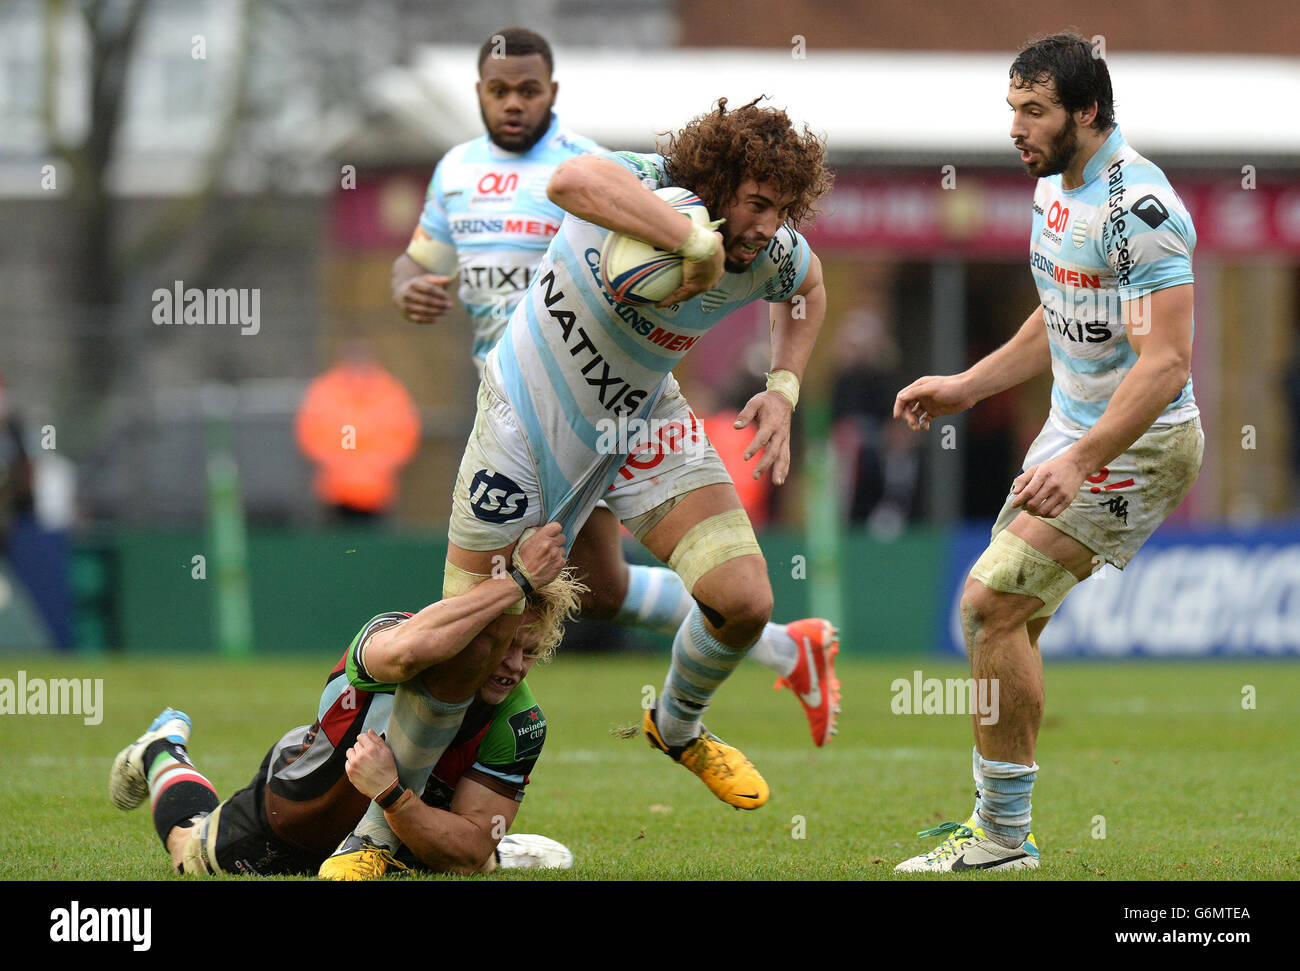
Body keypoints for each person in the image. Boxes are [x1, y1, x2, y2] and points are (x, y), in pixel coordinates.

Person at [392, 28, 841, 750]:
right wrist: (691, 241)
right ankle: (385, 824)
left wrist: (782, 389)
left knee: (743, 598)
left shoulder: (770, 247)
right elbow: (569, 187)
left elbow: (810, 288)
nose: (769, 226)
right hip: (528, 408)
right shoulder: (633, 176)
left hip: (639, 417)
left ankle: (677, 725)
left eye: (784, 209)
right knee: (480, 635)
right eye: (758, 202)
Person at [892, 32, 1201, 871]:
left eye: (1034, 111)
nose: (1017, 129)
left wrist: (1080, 459)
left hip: (1140, 442)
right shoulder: (1054, 190)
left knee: (987, 606)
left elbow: (1167, 360)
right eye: (1013, 111)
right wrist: (967, 383)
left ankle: (999, 838)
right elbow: (1059, 313)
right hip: (1073, 433)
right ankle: (1001, 827)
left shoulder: (1141, 209)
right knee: (1007, 620)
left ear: (1087, 111)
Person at [108, 524, 582, 878]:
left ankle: (494, 848)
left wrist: (392, 796)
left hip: (393, 836)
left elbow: (470, 845)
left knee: (469, 860)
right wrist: (515, 584)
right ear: (481, 626)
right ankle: (161, 749)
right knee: (186, 851)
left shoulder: (519, 720)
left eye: (531, 652)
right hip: (295, 814)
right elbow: (410, 653)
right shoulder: (392, 632)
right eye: (507, 645)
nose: (515, 665)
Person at [295, 341, 421, 522]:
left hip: (377, 490)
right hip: (334, 490)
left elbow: (404, 434)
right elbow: (310, 431)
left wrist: (380, 463)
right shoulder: (326, 391)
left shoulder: (389, 392)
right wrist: (335, 462)